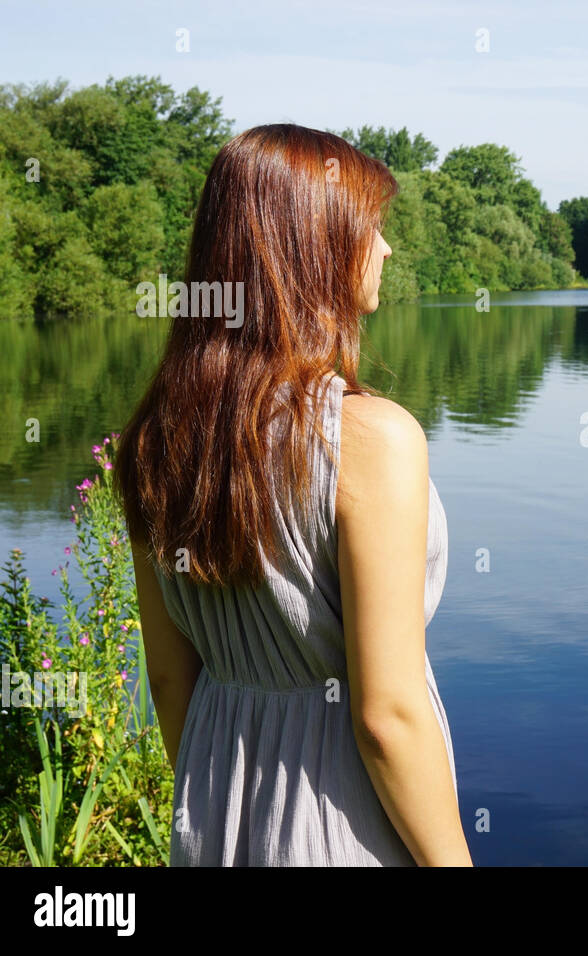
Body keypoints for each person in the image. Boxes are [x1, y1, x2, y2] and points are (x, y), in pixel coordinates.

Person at [114, 124, 472, 866]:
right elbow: (386, 718)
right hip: (343, 821)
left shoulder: (155, 441)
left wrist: (219, 803)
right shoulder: (373, 441)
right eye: (372, 228)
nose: (387, 249)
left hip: (216, 809)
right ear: (316, 244)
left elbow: (168, 676)